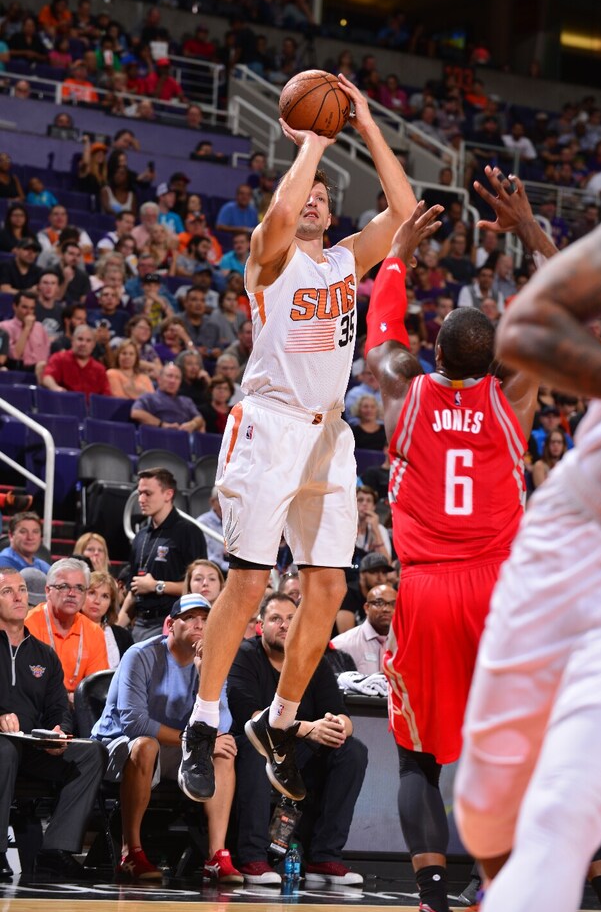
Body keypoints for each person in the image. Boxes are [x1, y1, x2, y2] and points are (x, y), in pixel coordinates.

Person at [179, 72, 416, 806]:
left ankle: (278, 721)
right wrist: (313, 141)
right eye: (303, 192)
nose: (312, 199)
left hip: (329, 437)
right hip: (269, 424)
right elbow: (283, 207)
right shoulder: (267, 253)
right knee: (249, 579)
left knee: (330, 584)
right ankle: (202, 719)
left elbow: (404, 212)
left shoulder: (347, 258)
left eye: (321, 194)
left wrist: (368, 126)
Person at [364, 168, 555, 912]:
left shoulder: (403, 387)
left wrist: (397, 256)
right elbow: (563, 305)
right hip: (499, 590)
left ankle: (433, 894)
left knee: (418, 755)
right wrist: (531, 231)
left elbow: (382, 330)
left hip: (428, 588)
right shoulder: (515, 390)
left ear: (433, 352)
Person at [453, 188, 601, 912]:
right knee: (486, 809)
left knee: (567, 802)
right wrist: (533, 232)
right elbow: (532, 326)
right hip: (573, 527)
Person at [92, 593, 241, 883]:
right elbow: (135, 723)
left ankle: (216, 856)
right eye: (190, 619)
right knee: (146, 745)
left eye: (206, 620)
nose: (199, 625)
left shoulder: (212, 661)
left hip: (174, 746)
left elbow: (221, 724)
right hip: (116, 746)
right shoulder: (141, 655)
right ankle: (130, 852)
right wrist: (195, 741)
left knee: (224, 751)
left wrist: (205, 675)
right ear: (170, 624)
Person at [228, 591, 367, 885]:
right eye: (275, 619)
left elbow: (344, 718)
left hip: (300, 754)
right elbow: (251, 716)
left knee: (352, 751)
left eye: (292, 619)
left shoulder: (313, 660)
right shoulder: (245, 655)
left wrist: (335, 725)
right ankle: (252, 857)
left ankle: (324, 857)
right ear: (260, 625)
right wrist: (306, 727)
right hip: (258, 747)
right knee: (255, 748)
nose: (284, 625)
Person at [0, 567, 107, 882]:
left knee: (92, 753)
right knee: (4, 751)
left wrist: (57, 731)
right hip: (2, 744)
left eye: (21, 589)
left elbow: (58, 706)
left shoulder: (44, 654)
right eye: (8, 591)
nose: (19, 596)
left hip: (32, 745)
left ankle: (55, 851)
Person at [127, 468, 207, 640]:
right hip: (139, 623)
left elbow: (199, 587)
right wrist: (118, 625)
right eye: (140, 493)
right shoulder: (140, 536)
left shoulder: (188, 532)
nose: (141, 499)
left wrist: (157, 586)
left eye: (148, 493)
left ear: (168, 494)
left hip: (171, 623)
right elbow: (133, 589)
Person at [26, 558, 109, 698]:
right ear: (48, 591)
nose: (72, 593)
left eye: (79, 588)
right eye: (64, 586)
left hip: (78, 711)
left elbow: (96, 691)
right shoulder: (27, 626)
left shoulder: (94, 633)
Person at [331, 582, 396, 675]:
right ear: (366, 608)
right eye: (379, 603)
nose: (386, 609)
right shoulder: (343, 644)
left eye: (393, 604)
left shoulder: (406, 644)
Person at [130, 362, 205, 432]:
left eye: (177, 378)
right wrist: (162, 424)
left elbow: (199, 418)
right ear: (159, 379)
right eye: (169, 376)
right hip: (158, 437)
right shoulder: (148, 397)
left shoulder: (187, 401)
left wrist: (193, 424)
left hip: (183, 438)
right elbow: (136, 413)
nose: (173, 381)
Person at [41, 324, 111, 399]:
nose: (83, 344)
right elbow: (47, 377)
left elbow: (106, 395)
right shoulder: (59, 358)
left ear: (93, 345)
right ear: (72, 341)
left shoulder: (100, 369)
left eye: (88, 341)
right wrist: (55, 387)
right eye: (80, 339)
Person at [81, 570, 133, 668]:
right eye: (92, 593)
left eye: (105, 596)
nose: (97, 601)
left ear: (110, 603)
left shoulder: (123, 636)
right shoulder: (68, 631)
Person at [0, 289, 50, 373]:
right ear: (15, 306)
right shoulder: (4, 327)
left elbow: (46, 355)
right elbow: (15, 355)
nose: (28, 312)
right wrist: (27, 328)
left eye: (32, 308)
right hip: (16, 371)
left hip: (39, 372)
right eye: (24, 307)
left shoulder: (40, 327)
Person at [196, 488, 227, 574]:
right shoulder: (202, 524)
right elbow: (208, 558)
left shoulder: (237, 521)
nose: (227, 505)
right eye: (223, 500)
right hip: (216, 571)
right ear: (213, 502)